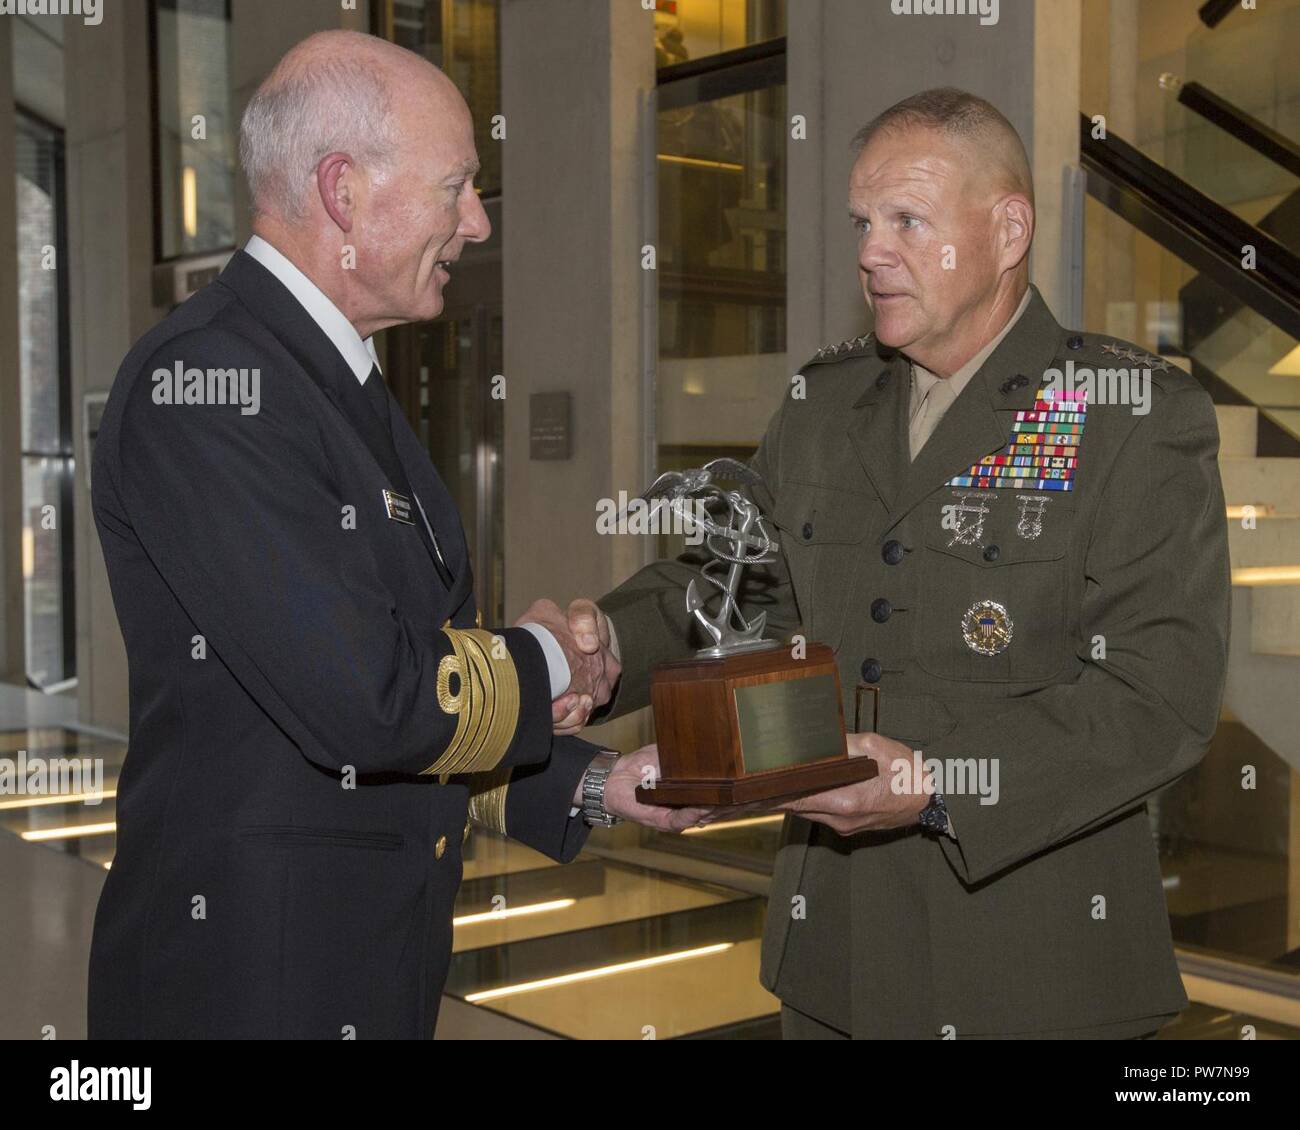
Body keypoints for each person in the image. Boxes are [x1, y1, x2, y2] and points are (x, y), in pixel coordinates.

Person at [547, 87, 1231, 1039]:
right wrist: (597, 648)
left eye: (908, 219)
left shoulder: (1123, 414)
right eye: (864, 221)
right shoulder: (828, 404)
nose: (871, 250)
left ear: (1008, 229)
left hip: (1031, 974)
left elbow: (1159, 697)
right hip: (836, 957)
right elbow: (745, 583)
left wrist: (940, 781)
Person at [89, 30, 693, 1040]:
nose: (476, 219)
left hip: (360, 966)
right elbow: (368, 697)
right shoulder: (208, 387)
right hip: (247, 986)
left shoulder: (336, 384)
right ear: (343, 192)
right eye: (454, 184)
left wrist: (589, 779)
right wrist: (549, 655)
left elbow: (419, 690)